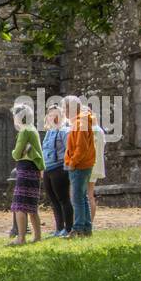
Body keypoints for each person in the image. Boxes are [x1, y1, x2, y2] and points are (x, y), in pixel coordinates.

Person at [8, 103, 44, 245]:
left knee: (20, 205)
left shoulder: (24, 131)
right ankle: (37, 237)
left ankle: (21, 238)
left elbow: (17, 154)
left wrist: (16, 152)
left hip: (25, 168)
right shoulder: (33, 129)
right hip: (35, 168)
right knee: (32, 205)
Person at [62, 95, 96, 238]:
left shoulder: (80, 122)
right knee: (82, 198)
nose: (63, 111)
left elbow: (80, 148)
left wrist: (72, 163)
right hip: (83, 164)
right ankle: (86, 228)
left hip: (79, 166)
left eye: (64, 108)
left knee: (77, 199)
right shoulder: (80, 121)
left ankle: (78, 229)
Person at [41, 103, 72, 237]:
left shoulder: (65, 131)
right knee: (53, 200)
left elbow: (68, 150)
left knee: (63, 199)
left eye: (55, 114)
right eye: (50, 114)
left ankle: (68, 228)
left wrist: (67, 168)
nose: (52, 117)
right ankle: (59, 228)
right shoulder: (49, 132)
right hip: (48, 169)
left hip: (60, 169)